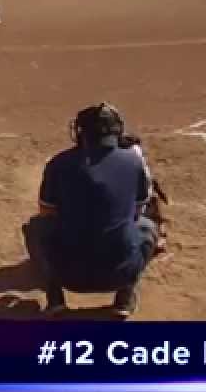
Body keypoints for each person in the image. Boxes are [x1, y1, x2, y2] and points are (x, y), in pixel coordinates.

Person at [24, 103, 160, 318]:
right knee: (147, 226)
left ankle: (55, 299)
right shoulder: (133, 162)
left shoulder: (59, 163)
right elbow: (138, 210)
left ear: (81, 133)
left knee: (35, 227)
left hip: (67, 275)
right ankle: (124, 297)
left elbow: (46, 212)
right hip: (119, 273)